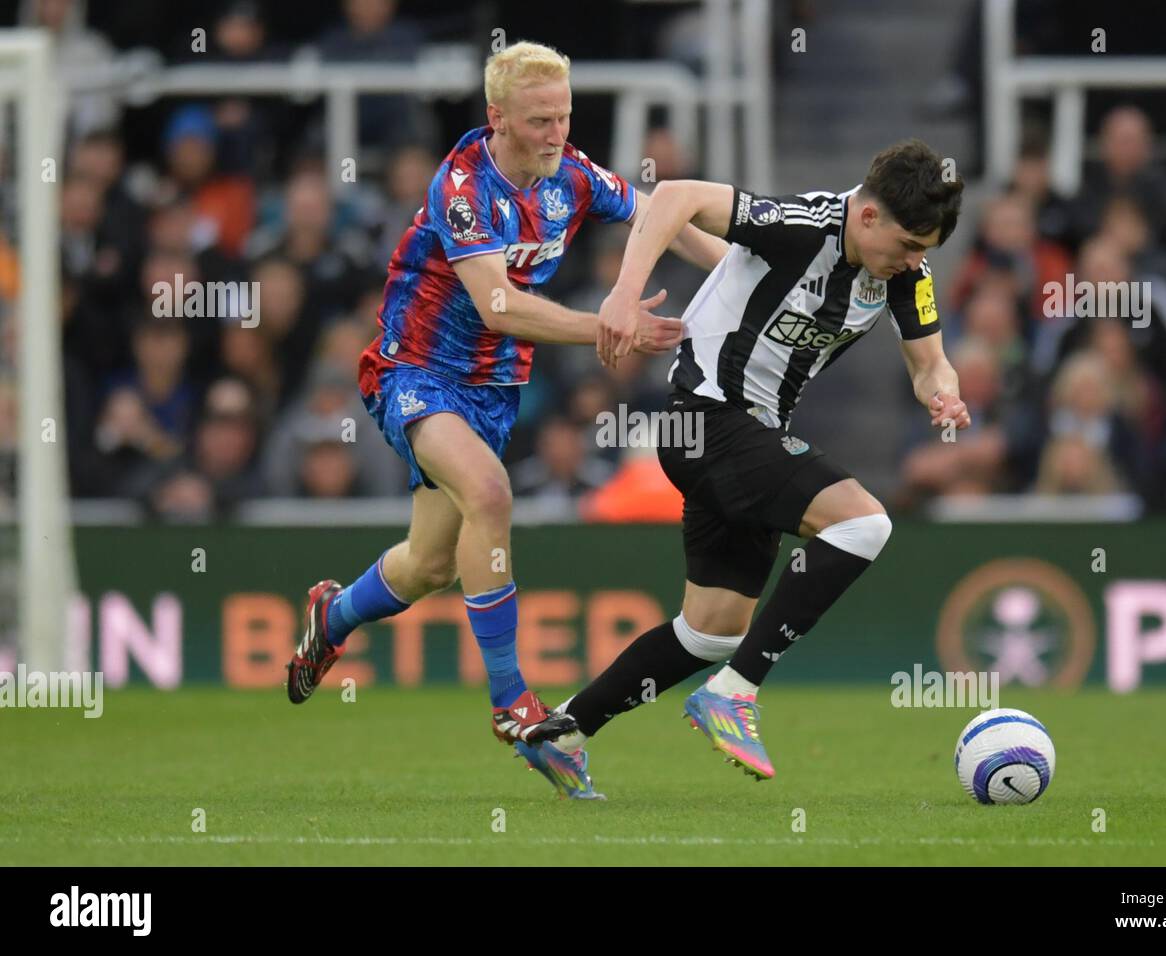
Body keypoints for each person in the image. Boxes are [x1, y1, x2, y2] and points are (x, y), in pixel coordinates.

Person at [284, 41, 727, 801]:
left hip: (494, 391)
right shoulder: (462, 186)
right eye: (539, 120)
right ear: (498, 119)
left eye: (564, 116)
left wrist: (742, 270)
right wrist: (610, 322)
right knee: (490, 494)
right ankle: (513, 704)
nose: (556, 133)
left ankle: (334, 614)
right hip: (414, 373)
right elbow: (500, 305)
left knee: (429, 565)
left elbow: (661, 214)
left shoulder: (573, 174)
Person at [545, 139, 967, 791]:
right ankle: (735, 693)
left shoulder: (908, 274)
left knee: (709, 631)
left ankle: (563, 730)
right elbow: (677, 198)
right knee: (863, 525)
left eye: (925, 250)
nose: (914, 261)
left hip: (746, 439)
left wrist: (943, 389)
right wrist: (623, 296)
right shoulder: (799, 226)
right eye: (909, 244)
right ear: (868, 216)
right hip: (707, 422)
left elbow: (928, 361)